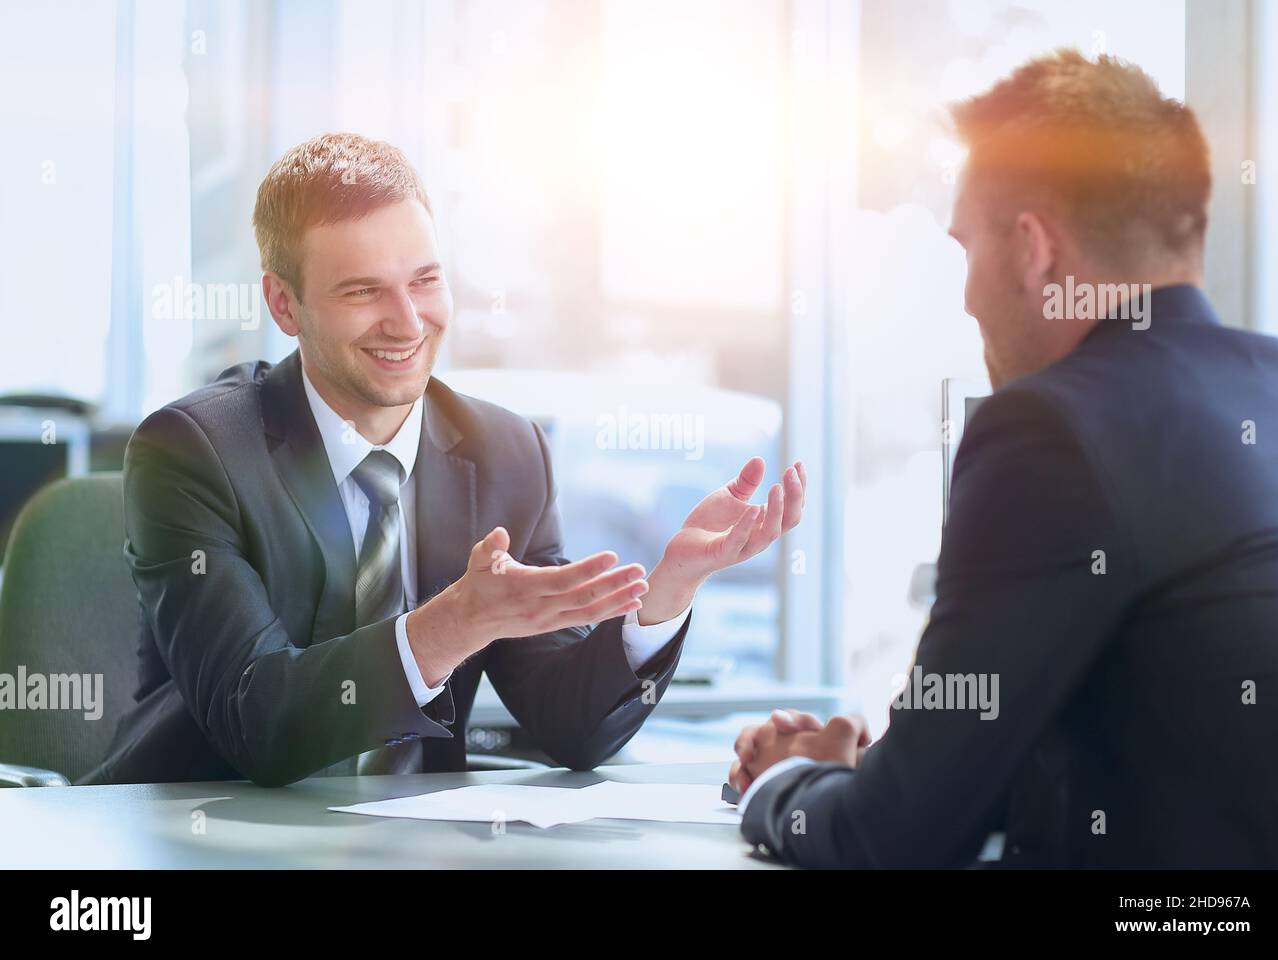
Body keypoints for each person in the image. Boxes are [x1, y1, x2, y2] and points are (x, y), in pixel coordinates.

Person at [84, 133, 805, 787]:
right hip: (205, 837)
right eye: (363, 290)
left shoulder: (506, 454)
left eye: (425, 280)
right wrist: (450, 626)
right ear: (284, 304)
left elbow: (572, 730)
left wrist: (668, 592)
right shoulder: (194, 452)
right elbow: (256, 721)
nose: (406, 321)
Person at [731, 49, 1278, 867]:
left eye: (965, 248)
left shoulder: (1048, 430)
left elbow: (889, 842)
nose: (964, 296)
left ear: (1034, 249)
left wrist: (779, 786)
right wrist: (872, 772)